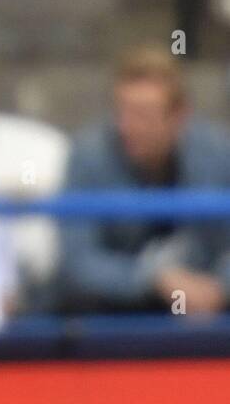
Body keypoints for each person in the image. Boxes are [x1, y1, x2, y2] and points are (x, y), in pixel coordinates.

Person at [58, 47, 230, 315]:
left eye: (143, 114)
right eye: (122, 112)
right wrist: (155, 279)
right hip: (118, 312)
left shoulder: (219, 153)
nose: (129, 126)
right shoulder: (87, 156)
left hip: (207, 309)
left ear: (179, 116)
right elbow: (78, 262)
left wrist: (220, 287)